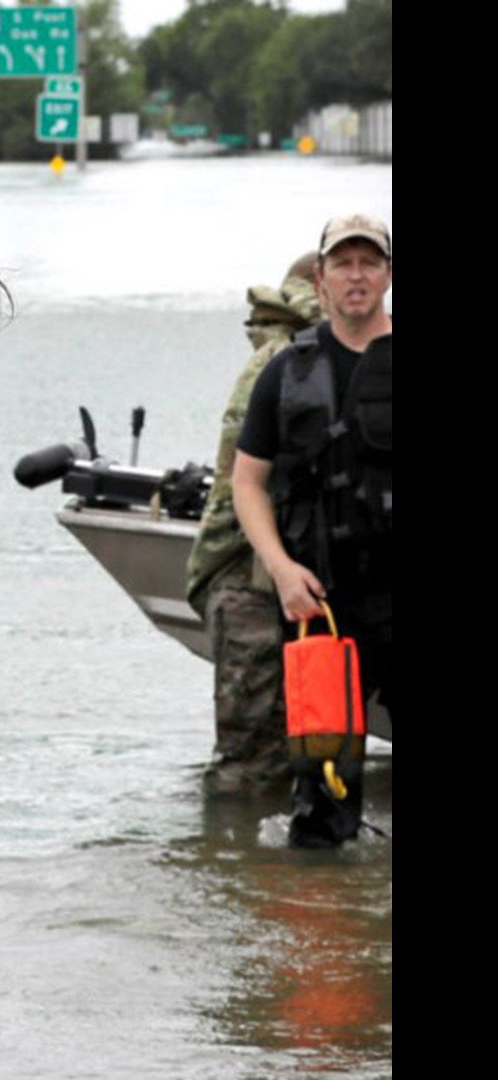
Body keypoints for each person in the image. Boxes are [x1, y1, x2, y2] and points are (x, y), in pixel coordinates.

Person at [231, 213, 392, 848]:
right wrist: (280, 569)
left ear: (386, 274)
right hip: (319, 602)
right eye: (344, 265)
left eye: (370, 263)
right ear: (321, 278)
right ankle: (325, 925)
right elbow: (248, 483)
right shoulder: (286, 370)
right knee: (323, 787)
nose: (357, 276)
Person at [185, 254, 322, 796]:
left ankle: (245, 873)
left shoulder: (300, 357)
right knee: (252, 767)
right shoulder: (283, 363)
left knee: (305, 750)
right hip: (252, 584)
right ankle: (241, 862)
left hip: (279, 580)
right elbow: (237, 485)